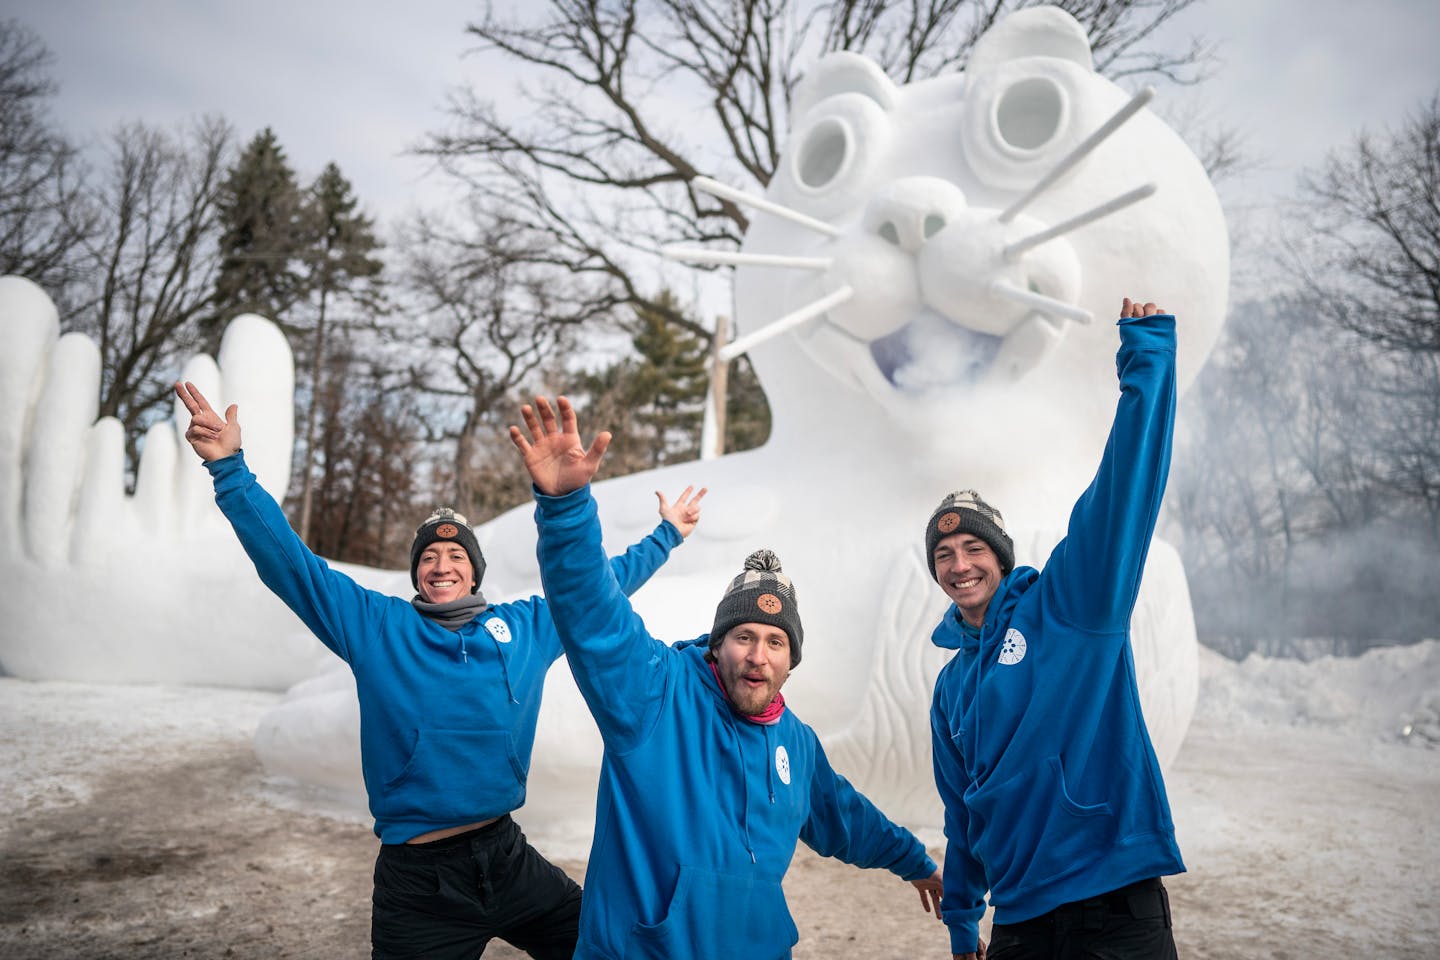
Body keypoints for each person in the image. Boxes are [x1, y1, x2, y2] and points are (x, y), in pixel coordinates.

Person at [174, 380, 706, 960]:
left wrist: (667, 536)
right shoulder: (378, 628)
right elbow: (292, 566)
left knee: (603, 947)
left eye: (455, 556)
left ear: (474, 573)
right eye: (428, 556)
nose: (441, 564)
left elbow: (598, 590)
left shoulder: (524, 628)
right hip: (419, 880)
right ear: (417, 575)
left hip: (507, 856)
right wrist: (230, 471)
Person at [507, 394, 945, 960]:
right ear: (718, 646)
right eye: (743, 636)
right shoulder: (655, 694)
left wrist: (916, 862)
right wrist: (565, 508)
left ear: (791, 661)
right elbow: (592, 613)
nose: (757, 655)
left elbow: (846, 817)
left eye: (775, 641)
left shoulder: (796, 745)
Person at [925, 298, 1185, 960]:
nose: (959, 565)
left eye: (973, 549)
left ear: (1001, 555)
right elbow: (962, 815)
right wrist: (962, 918)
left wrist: (1147, 358)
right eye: (944, 556)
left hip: (1113, 906)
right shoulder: (951, 689)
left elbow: (1122, 492)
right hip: (1018, 923)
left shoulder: (1072, 606)